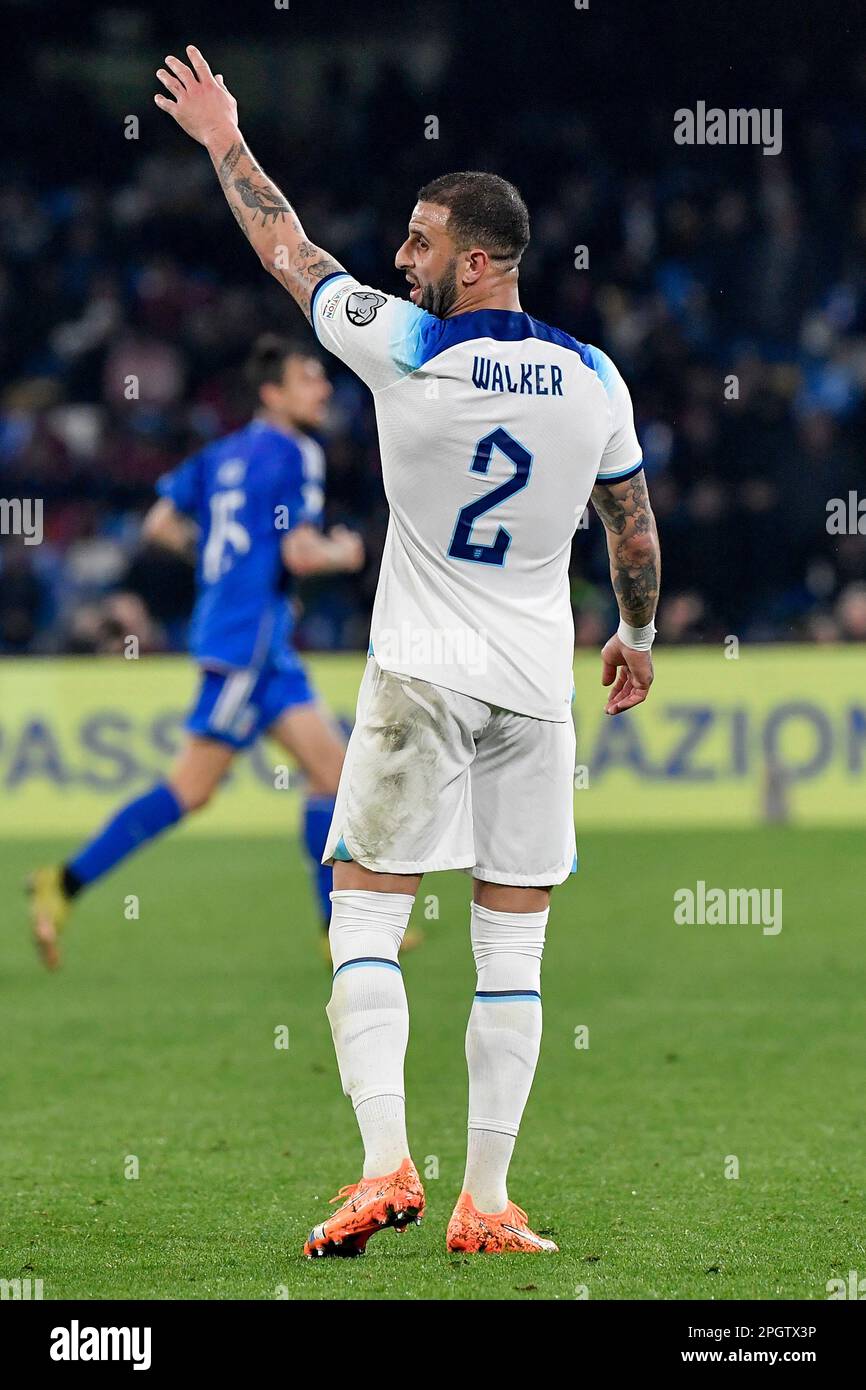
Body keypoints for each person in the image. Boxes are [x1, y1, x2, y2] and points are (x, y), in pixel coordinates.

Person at [153, 45, 661, 1257]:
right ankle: (485, 1198)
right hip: (537, 689)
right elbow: (629, 528)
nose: (400, 257)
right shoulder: (594, 379)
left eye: (422, 243)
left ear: (474, 260)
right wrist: (636, 636)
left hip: (419, 674)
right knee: (512, 946)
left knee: (364, 919)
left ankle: (386, 1166)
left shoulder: (405, 346)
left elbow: (290, 252)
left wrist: (224, 139)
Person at [28, 335, 364, 968]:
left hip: (245, 636)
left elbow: (158, 523)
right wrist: (344, 554)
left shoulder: (221, 454)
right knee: (191, 788)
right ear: (273, 393)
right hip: (250, 641)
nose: (323, 389)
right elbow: (299, 551)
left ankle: (337, 932)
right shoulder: (298, 454)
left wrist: (219, 563)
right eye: (309, 379)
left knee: (334, 774)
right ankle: (63, 882)